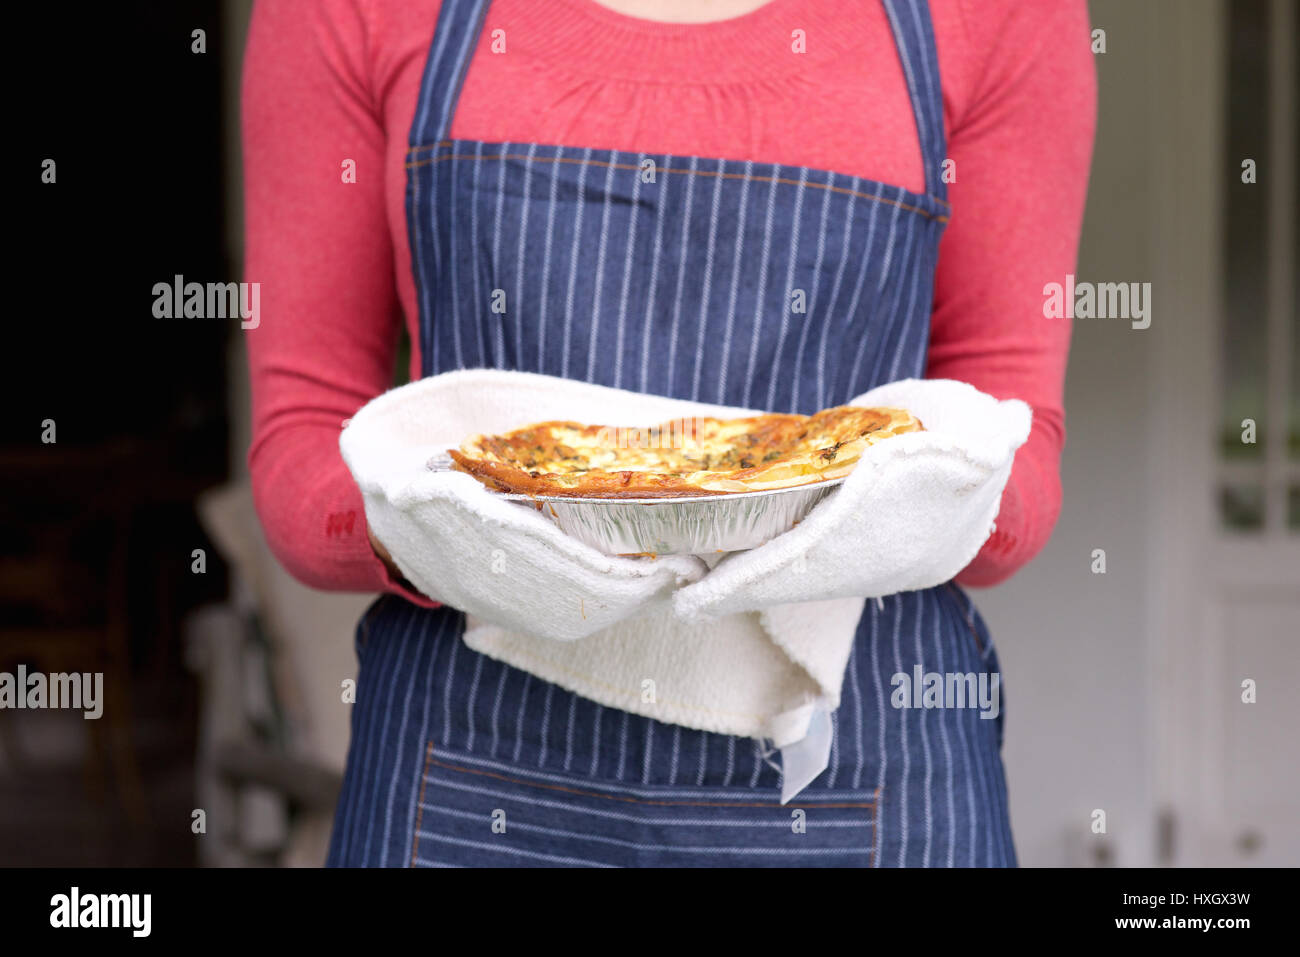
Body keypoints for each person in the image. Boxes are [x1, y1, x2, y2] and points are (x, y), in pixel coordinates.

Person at [242, 0, 1095, 866]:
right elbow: (303, 439)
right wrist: (447, 531)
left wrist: (873, 511)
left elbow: (1014, 452)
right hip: (465, 769)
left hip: (868, 765)